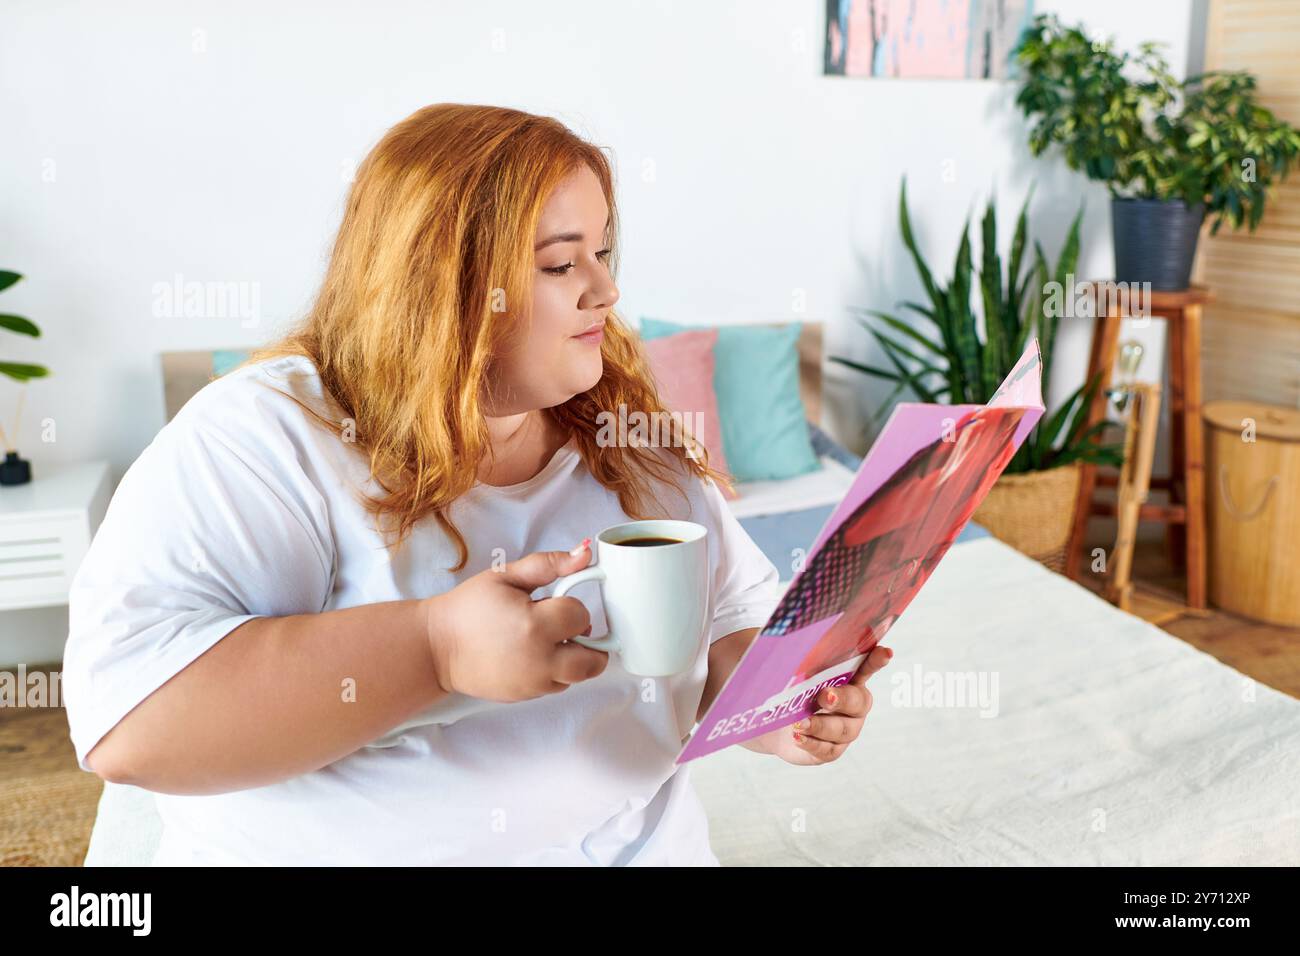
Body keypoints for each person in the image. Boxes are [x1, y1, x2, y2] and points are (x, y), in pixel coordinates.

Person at [62, 104, 894, 866]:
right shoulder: (264, 440)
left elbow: (728, 620)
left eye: (602, 253)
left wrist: (779, 707)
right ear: (439, 287)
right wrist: (437, 649)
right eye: (561, 263)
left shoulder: (632, 441)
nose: (605, 291)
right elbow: (129, 729)